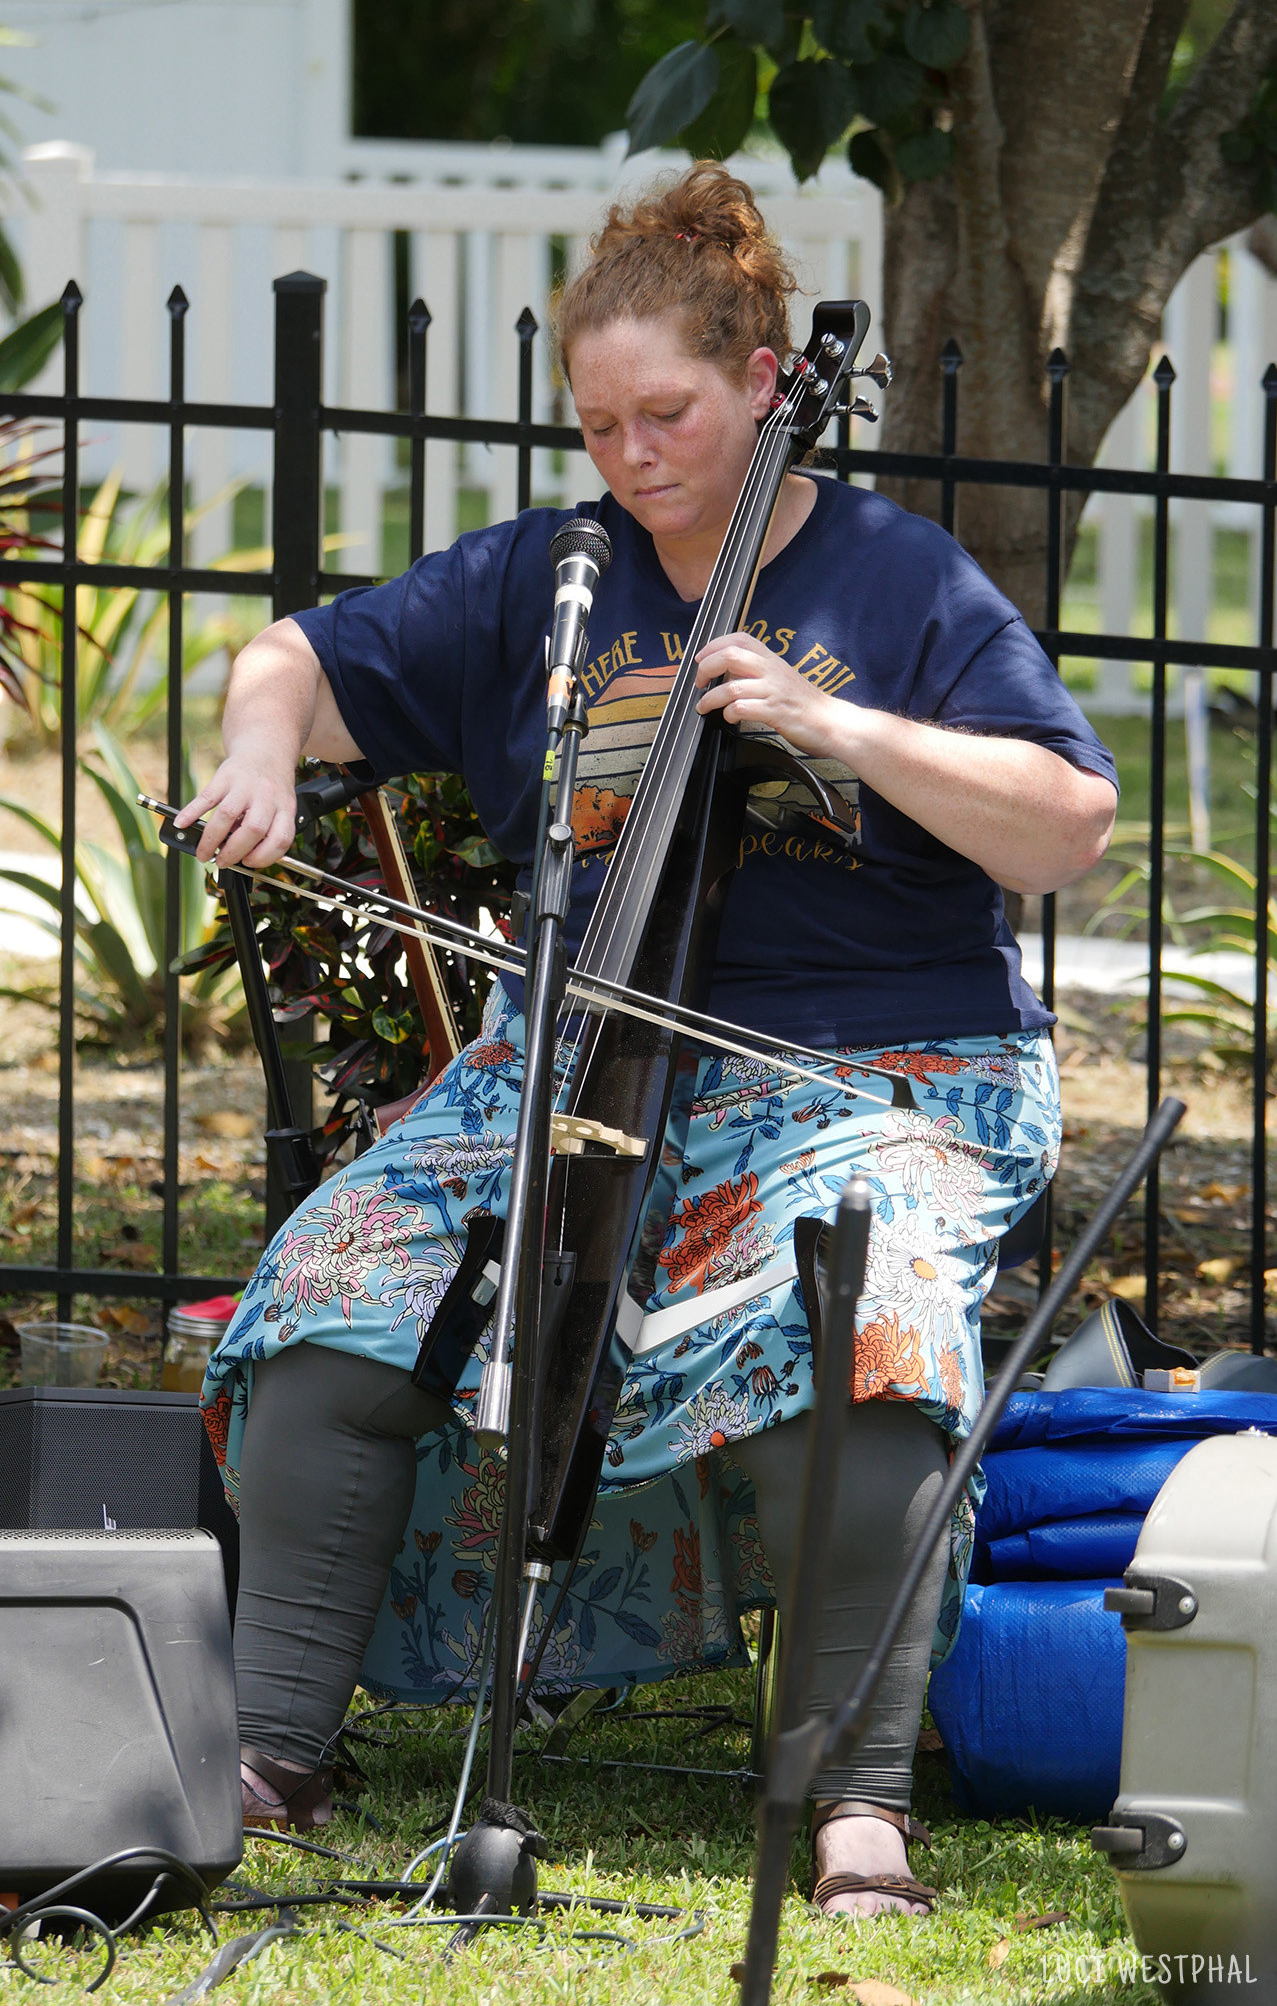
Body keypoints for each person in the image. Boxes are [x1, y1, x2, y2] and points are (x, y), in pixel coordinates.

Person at [179, 163, 1117, 1918]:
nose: (630, 454)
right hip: (583, 1047)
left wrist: (841, 724)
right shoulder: (559, 575)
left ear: (765, 381)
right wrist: (258, 751)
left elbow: (1064, 825)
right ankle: (270, 1744)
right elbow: (292, 656)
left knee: (867, 1323)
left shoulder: (896, 578)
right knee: (335, 1297)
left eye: (665, 413)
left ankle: (853, 1804)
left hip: (870, 1068)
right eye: (598, 423)